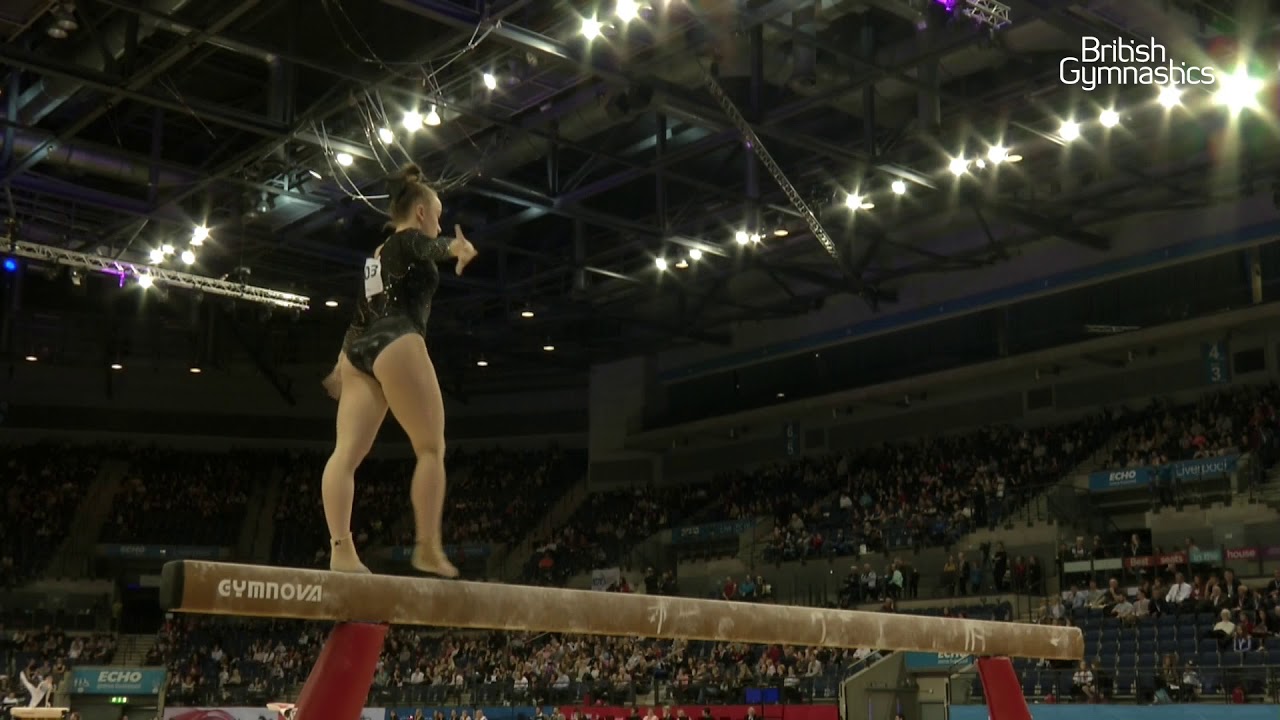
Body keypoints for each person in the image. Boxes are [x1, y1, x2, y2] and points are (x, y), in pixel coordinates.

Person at [320, 162, 477, 575]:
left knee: (346, 455)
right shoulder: (409, 239)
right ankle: (426, 546)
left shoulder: (376, 256)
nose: (439, 224)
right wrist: (455, 249)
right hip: (397, 339)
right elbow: (426, 248)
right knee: (430, 448)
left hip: (359, 351)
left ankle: (341, 550)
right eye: (438, 216)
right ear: (422, 213)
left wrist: (343, 358)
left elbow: (366, 305)